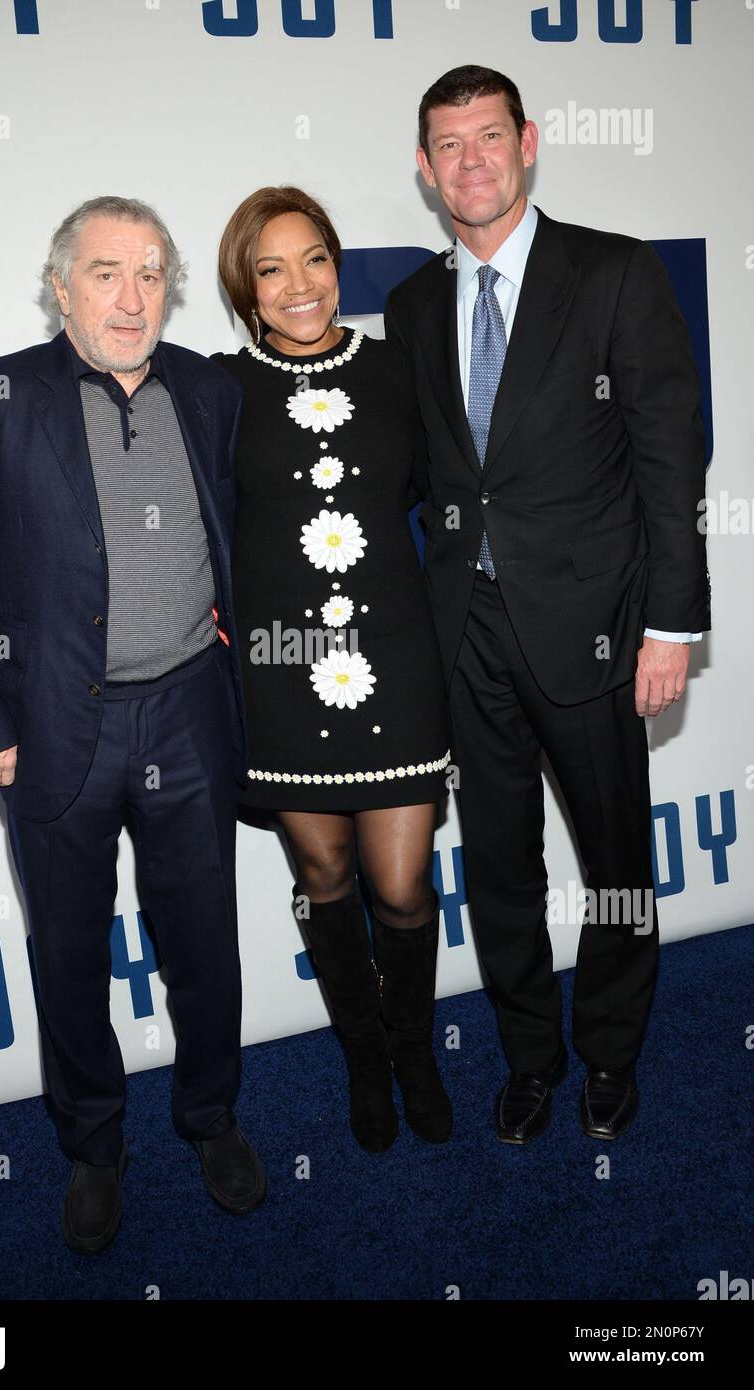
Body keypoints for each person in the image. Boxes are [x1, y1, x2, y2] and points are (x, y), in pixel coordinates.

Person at [0, 195, 265, 1254]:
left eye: (152, 272)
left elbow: (243, 531)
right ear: (60, 286)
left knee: (204, 939)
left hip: (191, 713)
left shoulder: (206, 387)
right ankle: (93, 1147)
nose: (132, 296)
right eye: (107, 272)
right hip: (53, 728)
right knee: (67, 950)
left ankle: (210, 1117)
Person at [386, 66, 711, 1144]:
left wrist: (673, 624)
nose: (470, 160)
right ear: (426, 168)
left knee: (616, 864)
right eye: (448, 144)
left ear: (528, 143)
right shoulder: (413, 303)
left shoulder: (614, 274)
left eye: (489, 137)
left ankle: (610, 1052)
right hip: (466, 636)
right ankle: (531, 1054)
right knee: (500, 864)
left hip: (602, 630)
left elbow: (671, 458)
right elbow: (425, 477)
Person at [213, 186, 454, 1153]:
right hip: (280, 671)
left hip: (394, 660)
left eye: (314, 258)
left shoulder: (400, 371)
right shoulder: (216, 392)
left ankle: (414, 1050)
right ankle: (364, 1057)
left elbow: (458, 501)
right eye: (272, 268)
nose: (300, 284)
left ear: (337, 265)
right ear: (246, 289)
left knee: (401, 885)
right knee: (324, 874)